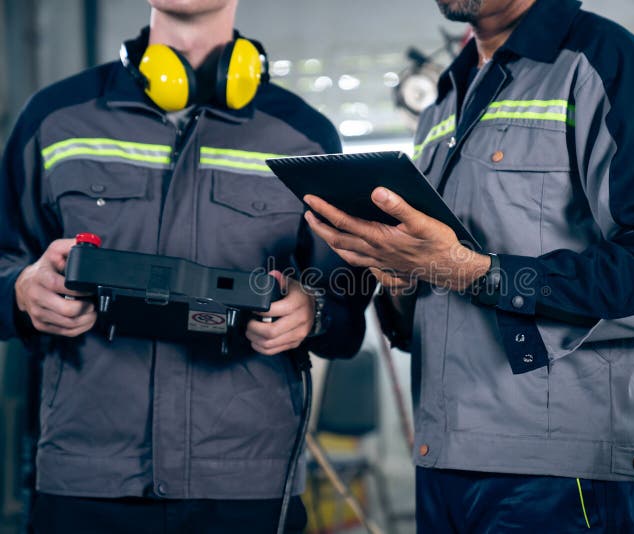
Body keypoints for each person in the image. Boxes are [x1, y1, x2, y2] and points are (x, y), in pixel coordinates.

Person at [304, 0, 634, 531]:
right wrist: (400, 276)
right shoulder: (442, 102)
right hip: (441, 461)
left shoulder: (607, 64)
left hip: (559, 476)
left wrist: (472, 272)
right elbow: (429, 304)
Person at [0, 1, 372, 532]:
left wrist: (311, 312)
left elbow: (346, 307)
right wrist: (20, 289)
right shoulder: (56, 118)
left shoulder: (305, 138)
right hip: (88, 480)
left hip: (248, 486)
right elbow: (4, 261)